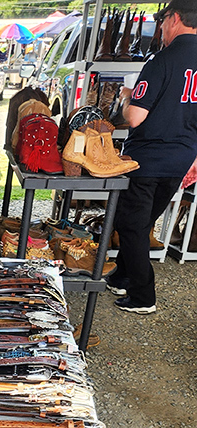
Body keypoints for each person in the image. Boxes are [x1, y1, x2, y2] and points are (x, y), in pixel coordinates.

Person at [107, 0, 197, 314]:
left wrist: (126, 97)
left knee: (130, 225)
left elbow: (134, 118)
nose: (160, 28)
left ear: (174, 19)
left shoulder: (162, 60)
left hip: (147, 158)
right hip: (182, 158)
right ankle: (122, 275)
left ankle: (143, 295)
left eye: (161, 21)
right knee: (142, 222)